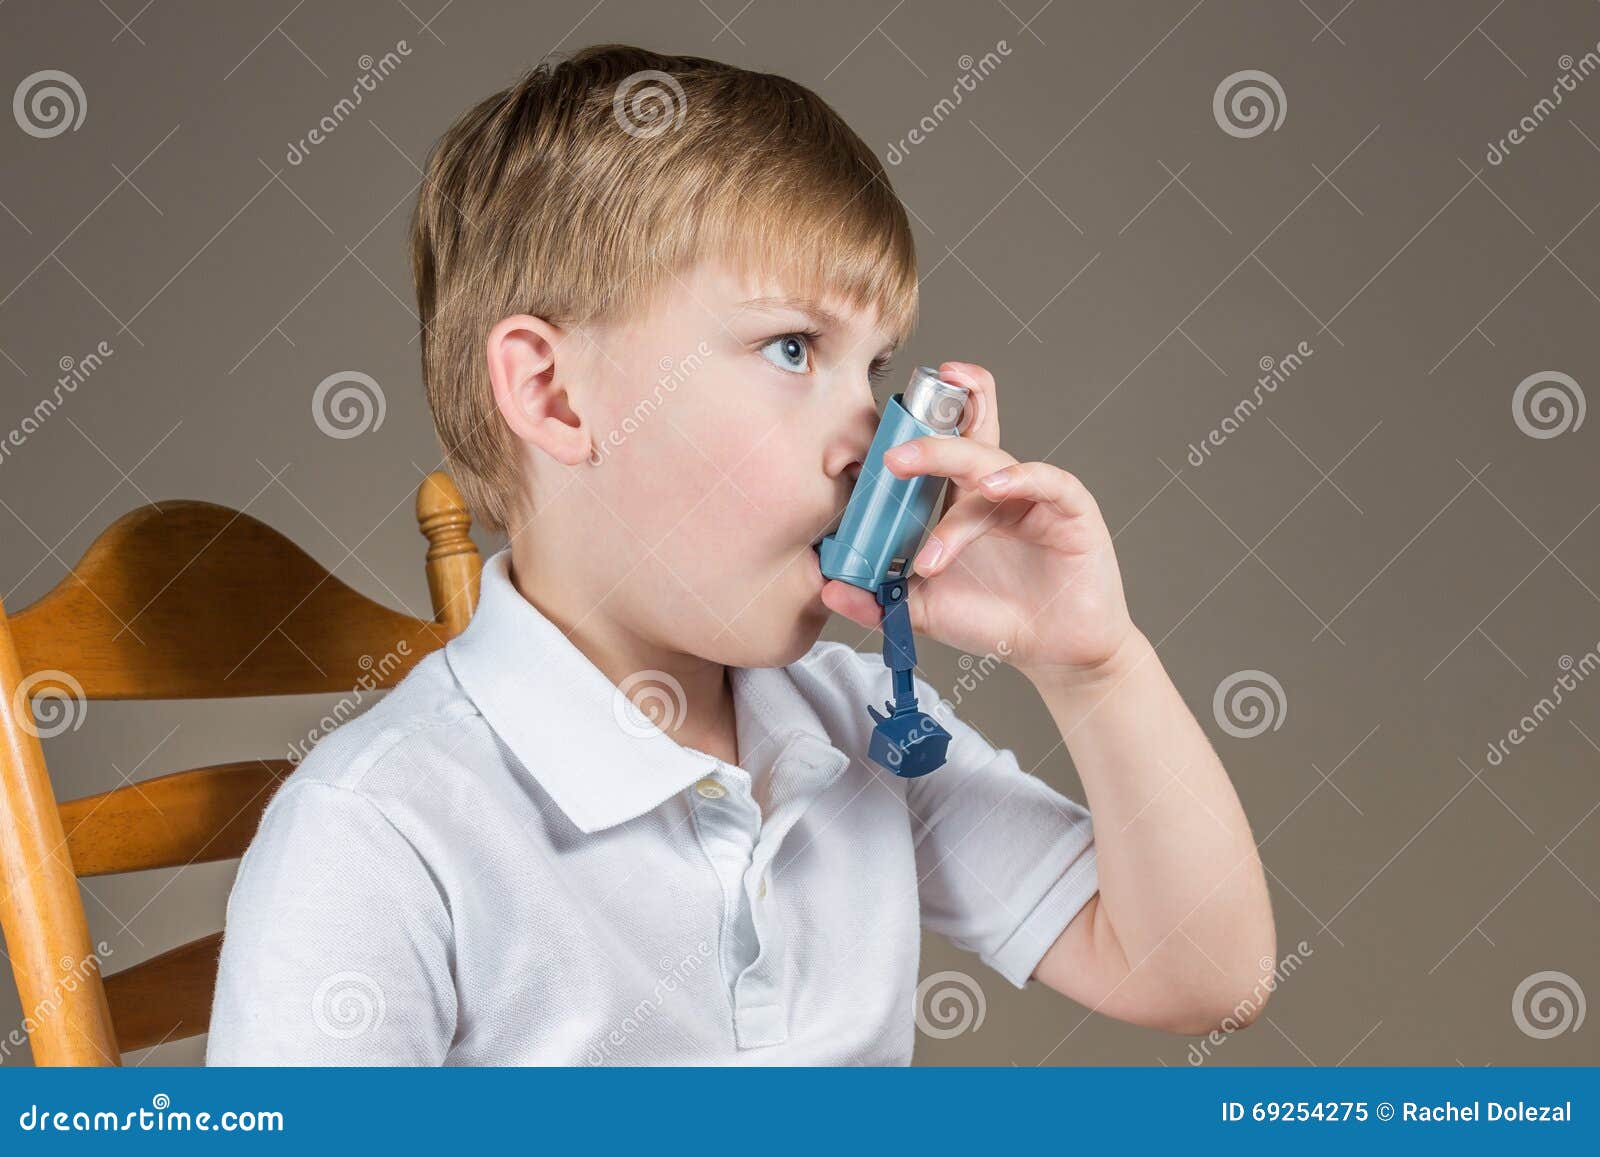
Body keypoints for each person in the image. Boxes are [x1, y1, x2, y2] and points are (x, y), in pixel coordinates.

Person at [206, 43, 1274, 1065]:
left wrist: (1089, 664)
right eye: (792, 348)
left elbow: (1199, 975)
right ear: (553, 393)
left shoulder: (851, 721)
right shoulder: (381, 833)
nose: (871, 438)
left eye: (875, 369)